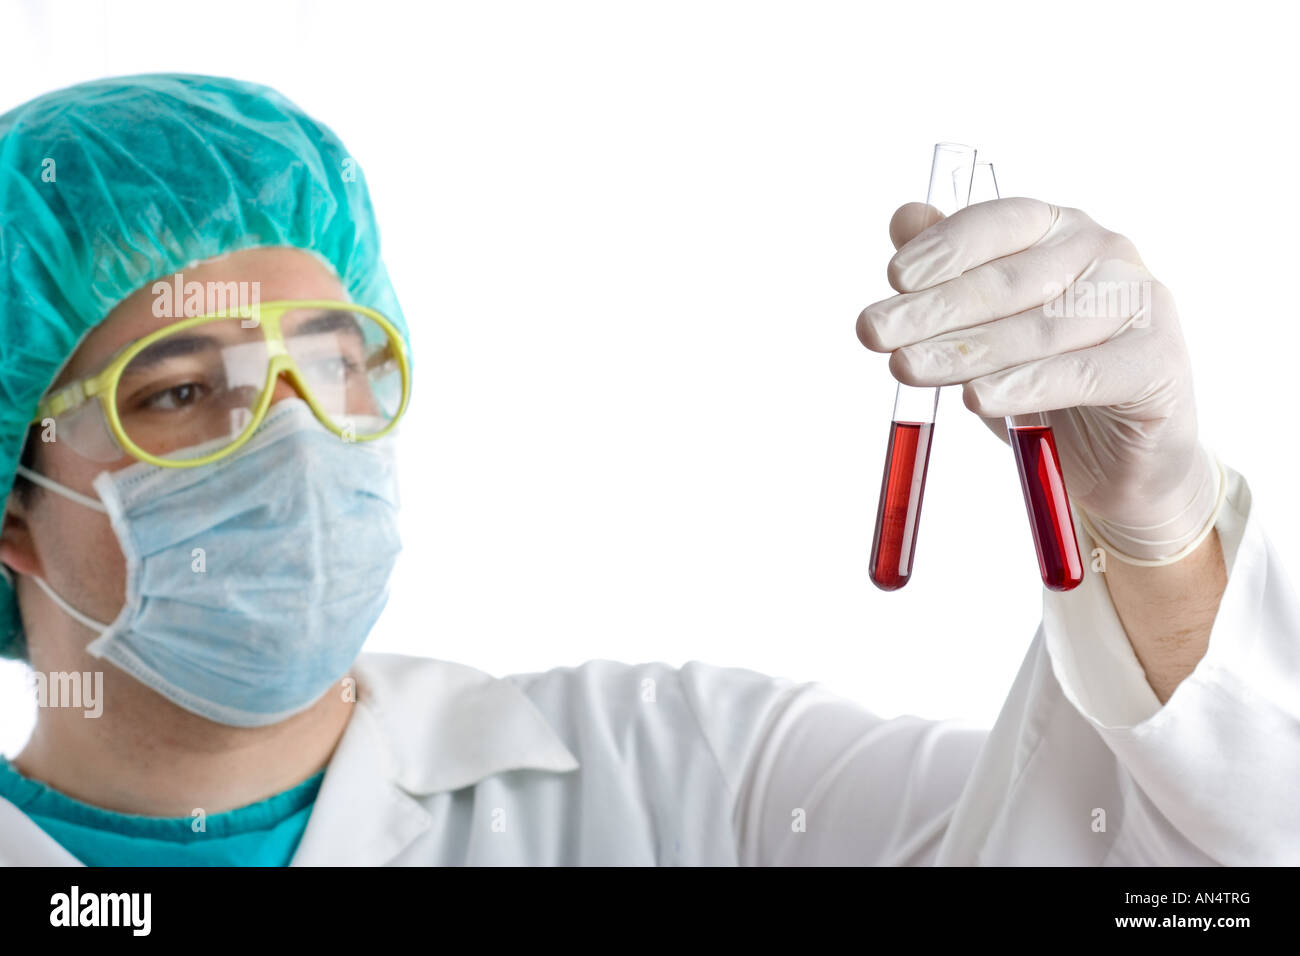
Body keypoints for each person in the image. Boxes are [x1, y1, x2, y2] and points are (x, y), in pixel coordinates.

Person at [0, 74, 1294, 867]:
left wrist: (1154, 530)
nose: (295, 439)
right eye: (182, 391)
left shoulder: (685, 779)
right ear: (16, 506)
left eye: (336, 367)